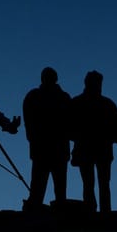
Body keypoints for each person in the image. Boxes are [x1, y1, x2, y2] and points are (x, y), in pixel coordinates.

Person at [69, 70, 117, 213]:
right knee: (96, 184)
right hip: (96, 150)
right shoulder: (105, 104)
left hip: (94, 150)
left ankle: (95, 212)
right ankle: (98, 212)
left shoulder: (78, 103)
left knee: (94, 184)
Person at [22, 66, 72, 209]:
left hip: (43, 149)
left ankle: (36, 211)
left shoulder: (34, 97)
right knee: (56, 188)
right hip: (54, 149)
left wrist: (33, 138)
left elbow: (28, 123)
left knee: (41, 187)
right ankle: (55, 212)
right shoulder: (63, 98)